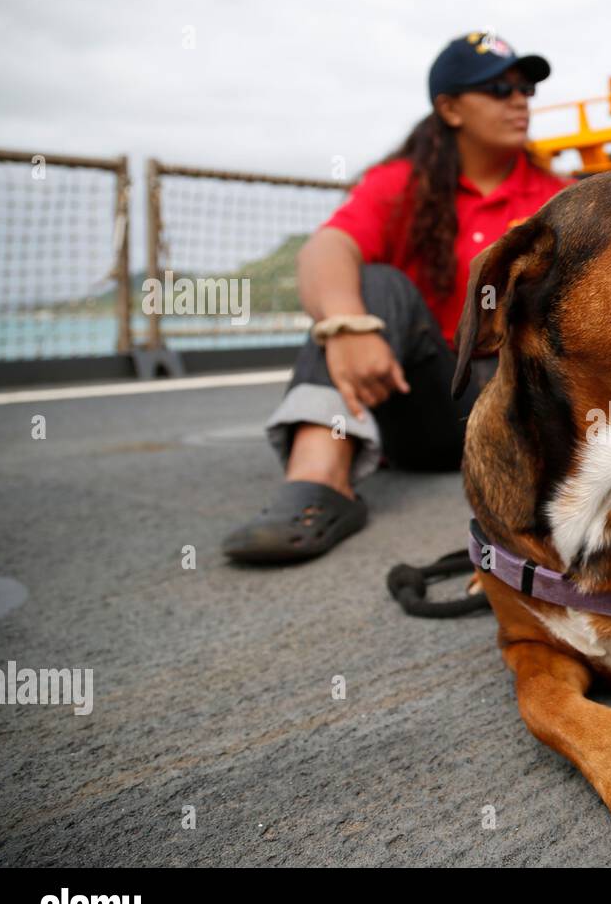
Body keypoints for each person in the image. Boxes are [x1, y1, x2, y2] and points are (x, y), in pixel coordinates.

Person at [223, 32, 567, 564]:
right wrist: (346, 325)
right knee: (375, 282)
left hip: (524, 413)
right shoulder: (399, 184)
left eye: (525, 89)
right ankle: (320, 482)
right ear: (449, 108)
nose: (518, 100)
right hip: (432, 407)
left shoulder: (559, 196)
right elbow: (326, 248)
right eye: (498, 88)